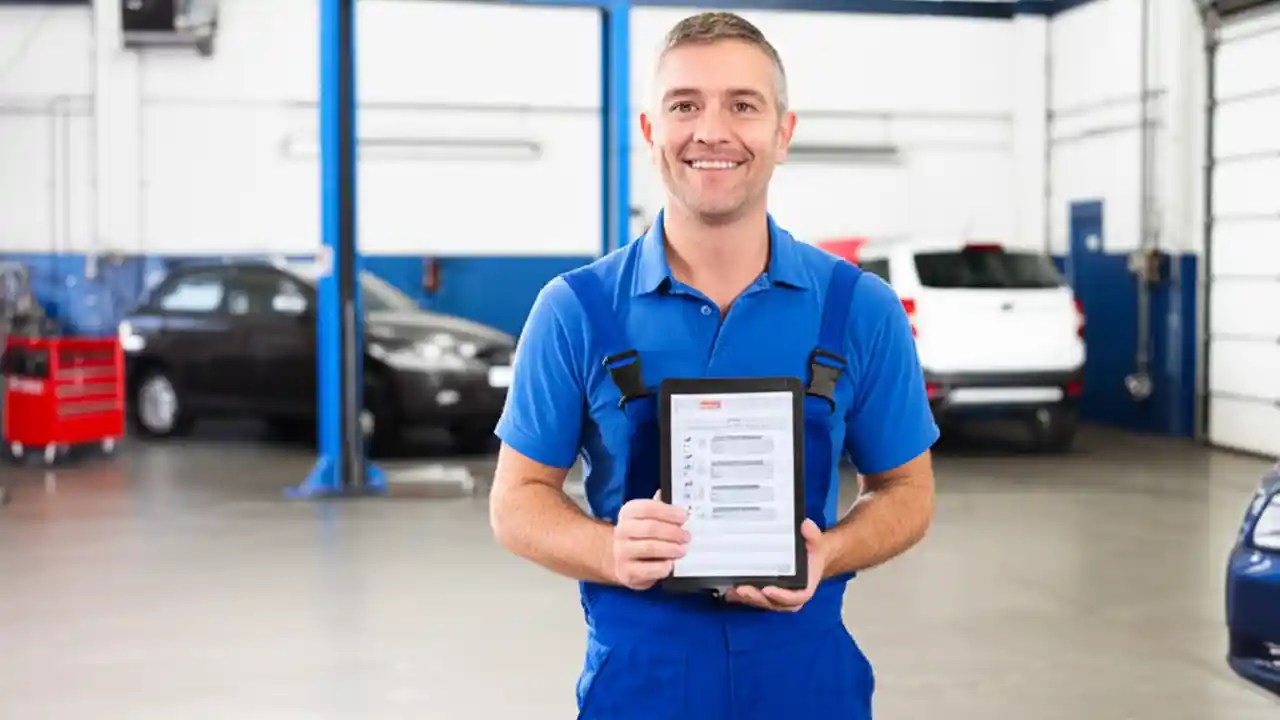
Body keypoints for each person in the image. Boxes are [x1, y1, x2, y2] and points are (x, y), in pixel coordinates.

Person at [489, 11, 938, 719]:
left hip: (808, 685)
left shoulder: (859, 308)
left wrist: (831, 552)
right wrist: (609, 550)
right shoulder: (573, 310)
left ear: (783, 133)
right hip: (641, 687)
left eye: (743, 105)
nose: (712, 131)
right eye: (685, 105)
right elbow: (515, 502)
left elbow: (908, 490)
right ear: (649, 131)